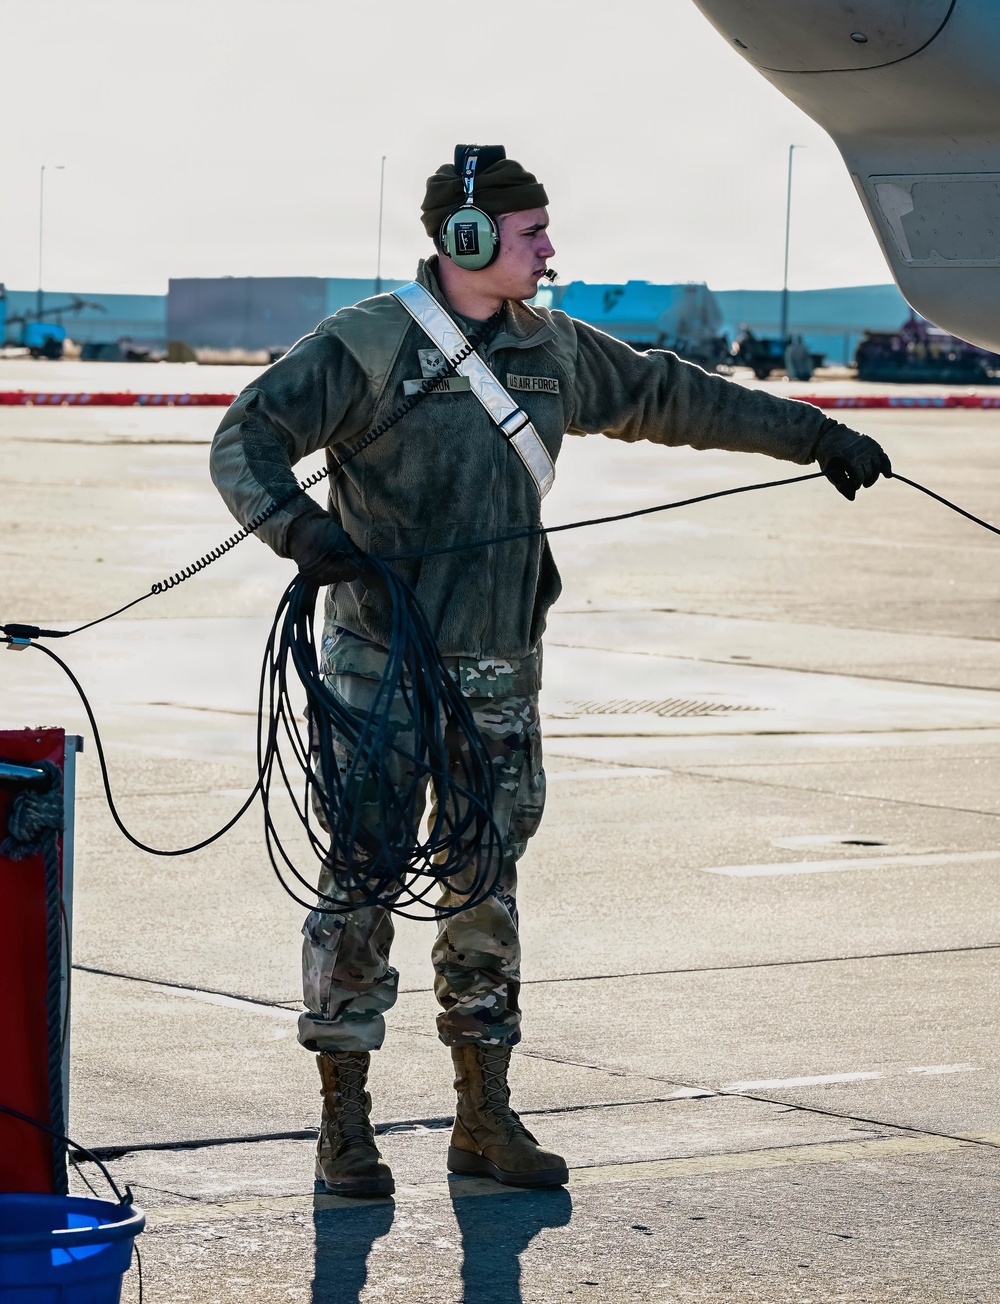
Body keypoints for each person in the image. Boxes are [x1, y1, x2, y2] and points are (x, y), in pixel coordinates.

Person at [209, 144, 891, 1199]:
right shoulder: (366, 345)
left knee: (485, 889)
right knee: (354, 890)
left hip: (496, 673)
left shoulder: (553, 347)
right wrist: (307, 537)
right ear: (467, 238)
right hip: (373, 673)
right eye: (531, 233)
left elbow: (676, 397)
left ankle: (484, 1115)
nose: (550, 249)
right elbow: (245, 440)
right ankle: (344, 1126)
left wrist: (815, 435)